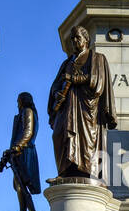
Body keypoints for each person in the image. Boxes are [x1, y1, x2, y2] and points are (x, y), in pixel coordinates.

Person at [48, 24, 117, 180]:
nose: (74, 41)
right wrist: (57, 92)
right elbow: (55, 85)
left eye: (77, 38)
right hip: (67, 107)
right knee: (58, 135)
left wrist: (74, 79)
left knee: (85, 141)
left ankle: (86, 171)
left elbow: (97, 81)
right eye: (72, 39)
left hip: (87, 108)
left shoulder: (97, 58)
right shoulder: (67, 63)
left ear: (86, 39)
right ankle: (64, 173)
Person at [0, 92, 42, 211]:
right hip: (19, 151)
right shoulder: (23, 113)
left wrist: (16, 147)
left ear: (23, 100)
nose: (17, 103)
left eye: (18, 100)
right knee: (18, 183)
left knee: (21, 183)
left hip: (24, 151)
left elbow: (27, 132)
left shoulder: (27, 111)